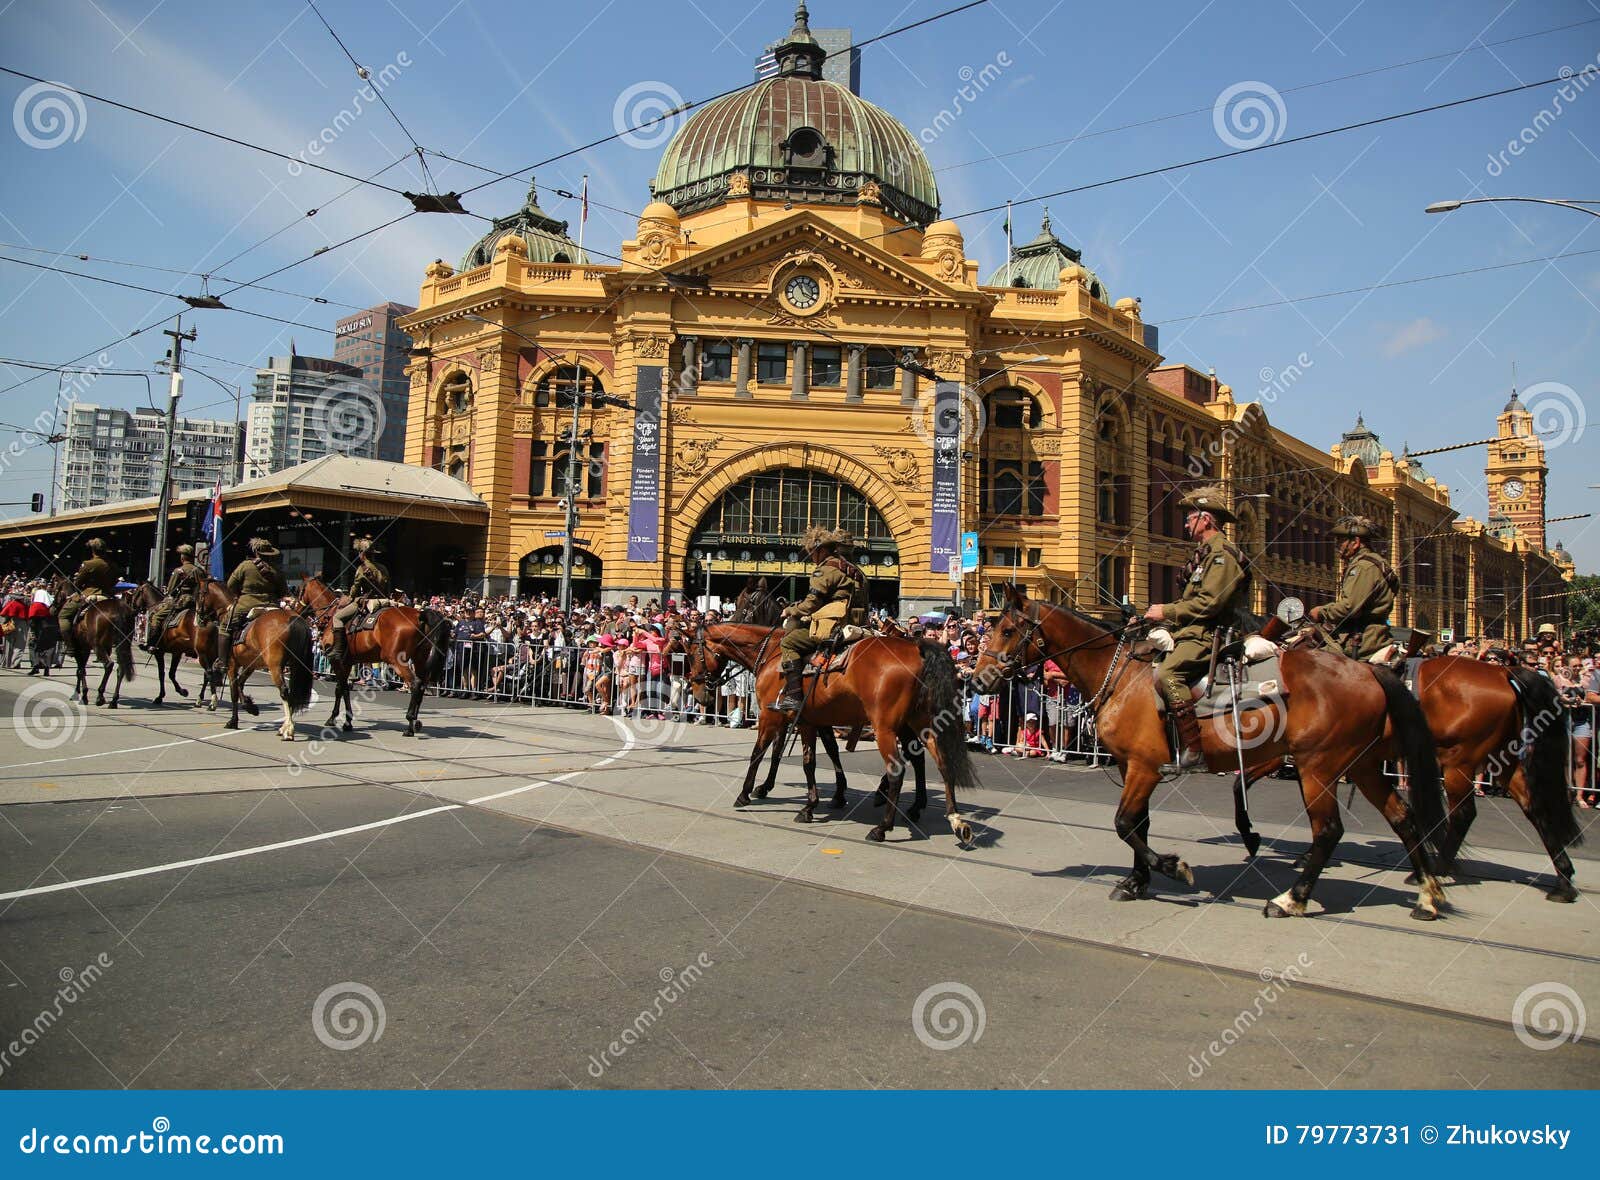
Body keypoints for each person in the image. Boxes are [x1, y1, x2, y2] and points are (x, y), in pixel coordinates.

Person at [1143, 485, 1251, 773]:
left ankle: (1194, 749)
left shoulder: (1223, 555)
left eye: (1191, 517)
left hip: (1209, 634)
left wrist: (1166, 610)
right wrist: (1156, 619)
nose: (1186, 522)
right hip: (1190, 631)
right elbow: (1191, 602)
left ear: (1207, 519)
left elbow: (1209, 603)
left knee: (1169, 673)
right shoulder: (1204, 555)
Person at [769, 526, 868, 714]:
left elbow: (811, 604)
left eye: (811, 553)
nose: (811, 557)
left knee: (789, 642)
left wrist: (790, 610)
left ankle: (794, 697)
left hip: (833, 626)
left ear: (821, 550)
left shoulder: (824, 571)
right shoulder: (853, 570)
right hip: (855, 623)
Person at [1308, 515, 1398, 660]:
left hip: (1361, 640)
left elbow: (1350, 607)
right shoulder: (1380, 563)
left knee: (1307, 656)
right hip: (1373, 634)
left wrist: (1321, 612)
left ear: (1355, 542)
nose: (1338, 546)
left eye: (1341, 541)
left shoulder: (1363, 567)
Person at [212, 538, 288, 681]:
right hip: (272, 606)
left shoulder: (246, 565)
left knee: (224, 626)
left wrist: (239, 593)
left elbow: (230, 585)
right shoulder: (277, 570)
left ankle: (222, 662)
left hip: (247, 604)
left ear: (256, 552)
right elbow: (283, 591)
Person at [330, 539, 395, 666]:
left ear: (362, 554)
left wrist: (349, 597)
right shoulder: (383, 568)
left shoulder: (362, 568)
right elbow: (388, 588)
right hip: (384, 600)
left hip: (367, 601)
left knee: (337, 617)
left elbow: (354, 589)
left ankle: (338, 650)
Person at [58, 538, 120, 657]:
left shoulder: (88, 564)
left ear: (93, 550)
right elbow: (114, 582)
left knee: (63, 615)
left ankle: (70, 646)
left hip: (90, 595)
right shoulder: (113, 565)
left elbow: (77, 583)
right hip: (107, 596)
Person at [143, 543, 202, 652]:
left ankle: (153, 643)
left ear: (183, 557)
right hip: (196, 601)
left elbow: (171, 589)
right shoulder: (199, 570)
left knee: (157, 616)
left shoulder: (179, 571)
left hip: (181, 601)